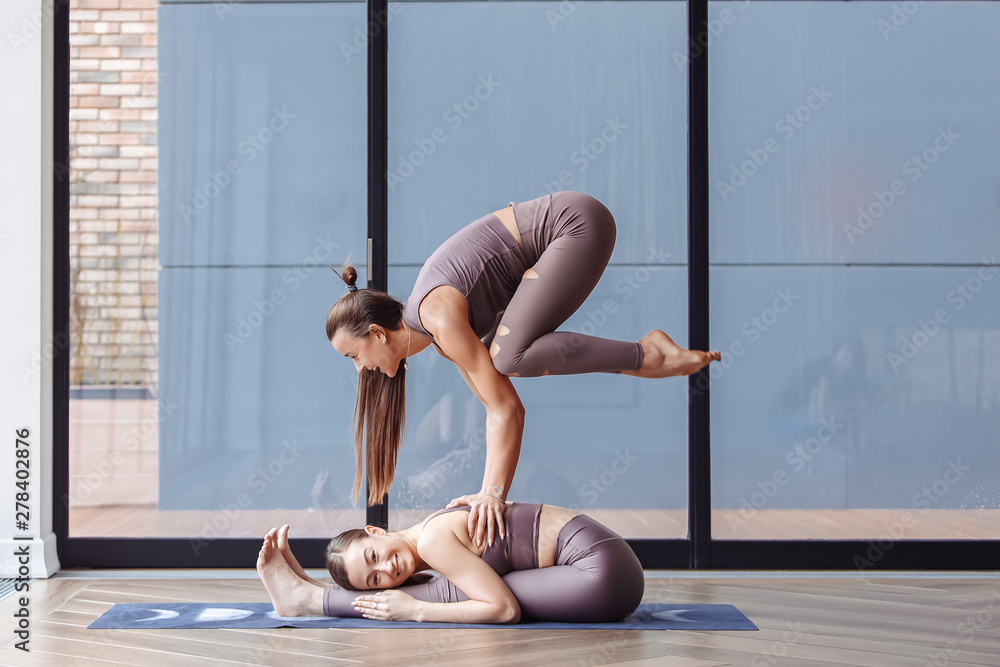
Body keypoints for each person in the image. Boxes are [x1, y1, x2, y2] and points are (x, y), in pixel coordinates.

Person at [326, 191, 721, 546]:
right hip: (572, 228)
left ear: (377, 334)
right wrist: (485, 490)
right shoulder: (441, 337)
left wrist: (492, 495)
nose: (360, 370)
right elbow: (494, 407)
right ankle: (645, 355)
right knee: (506, 356)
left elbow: (508, 410)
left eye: (353, 357)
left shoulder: (437, 316)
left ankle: (647, 354)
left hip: (576, 224)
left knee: (508, 356)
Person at [255, 502, 644, 624]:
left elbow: (504, 610)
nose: (388, 570)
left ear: (375, 530)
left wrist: (415, 610)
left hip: (599, 573)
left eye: (374, 556)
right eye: (375, 581)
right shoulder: (432, 526)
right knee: (462, 588)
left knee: (449, 594)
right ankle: (309, 592)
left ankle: (307, 599)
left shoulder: (433, 540)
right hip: (615, 568)